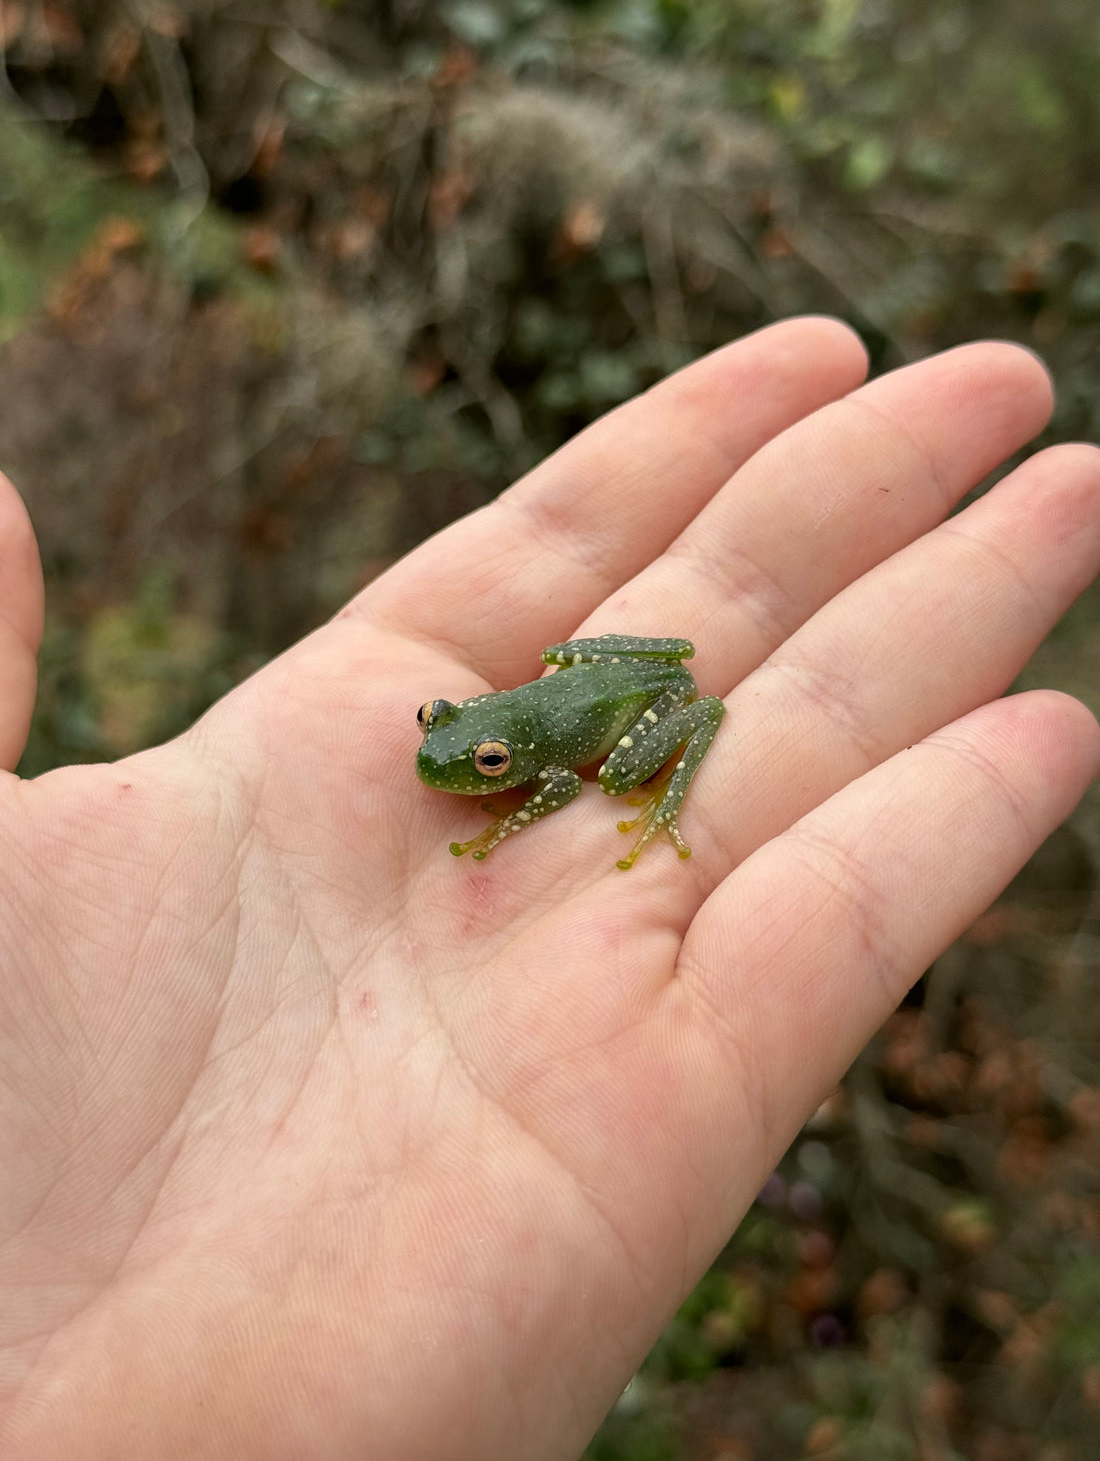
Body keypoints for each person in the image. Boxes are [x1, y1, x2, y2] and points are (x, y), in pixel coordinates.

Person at [0, 317, 1097, 1460]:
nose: (448, 759)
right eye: (446, 731)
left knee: (614, 776)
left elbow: (547, 791)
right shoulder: (474, 729)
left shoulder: (524, 768)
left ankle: (661, 796)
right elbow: (475, 746)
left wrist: (581, 800)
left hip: (618, 717)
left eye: (467, 758)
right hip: (580, 682)